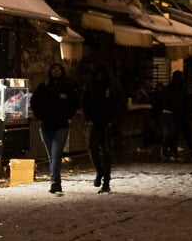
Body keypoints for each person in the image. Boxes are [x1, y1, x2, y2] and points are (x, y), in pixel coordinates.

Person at [32, 62, 80, 194]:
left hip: (61, 125)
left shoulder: (67, 88)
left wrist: (67, 115)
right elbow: (34, 102)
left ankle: (55, 182)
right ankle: (55, 181)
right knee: (52, 155)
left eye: (59, 69)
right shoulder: (43, 87)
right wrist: (40, 116)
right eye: (54, 69)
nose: (56, 71)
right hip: (46, 125)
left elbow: (74, 102)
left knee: (55, 154)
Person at [83, 65, 123, 192]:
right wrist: (88, 119)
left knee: (106, 152)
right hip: (94, 123)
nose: (99, 77)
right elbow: (84, 104)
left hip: (107, 123)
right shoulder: (89, 88)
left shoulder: (111, 88)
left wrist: (113, 121)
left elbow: (118, 104)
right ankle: (100, 172)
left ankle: (106, 182)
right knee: (93, 149)